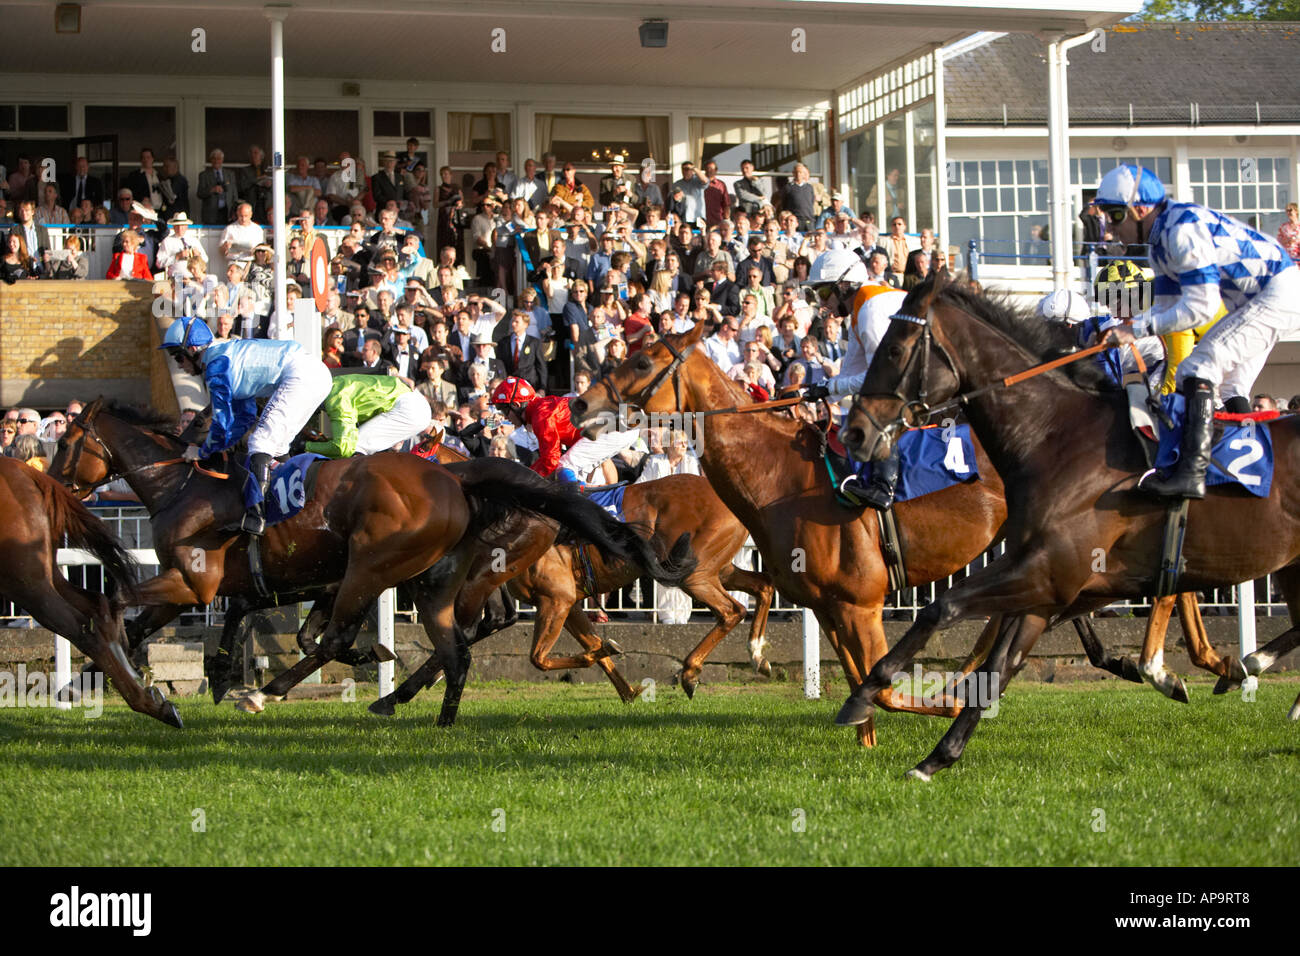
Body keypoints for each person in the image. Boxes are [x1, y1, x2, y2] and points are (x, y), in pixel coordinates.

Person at [1090, 164, 1300, 499]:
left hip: (1276, 293)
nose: (1111, 230)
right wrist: (1129, 330)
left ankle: (1192, 474)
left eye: (1115, 216)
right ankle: (1236, 475)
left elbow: (1200, 307)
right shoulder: (1159, 242)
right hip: (1259, 299)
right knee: (1232, 385)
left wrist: (1138, 329)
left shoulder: (1180, 230)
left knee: (1198, 368)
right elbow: (1169, 309)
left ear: (1140, 210)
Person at [159, 317, 332, 535]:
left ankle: (256, 517)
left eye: (178, 357)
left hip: (300, 375)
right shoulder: (225, 357)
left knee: (261, 442)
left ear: (193, 349)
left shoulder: (216, 366)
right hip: (317, 374)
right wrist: (219, 445)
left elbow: (221, 424)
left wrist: (202, 451)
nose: (178, 365)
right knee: (277, 446)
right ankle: (291, 505)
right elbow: (243, 418)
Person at [304, 374, 432, 458]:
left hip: (410, 409)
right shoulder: (336, 383)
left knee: (354, 447)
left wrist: (306, 447)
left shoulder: (336, 399)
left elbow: (342, 448)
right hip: (413, 403)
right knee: (359, 444)